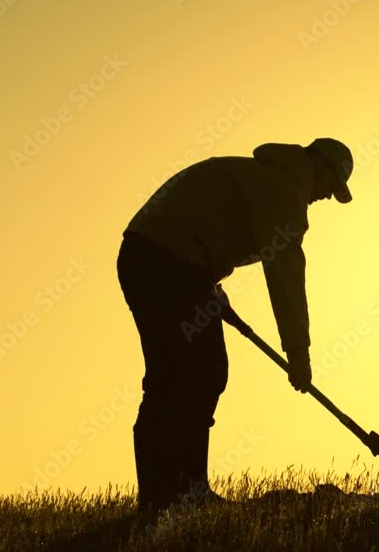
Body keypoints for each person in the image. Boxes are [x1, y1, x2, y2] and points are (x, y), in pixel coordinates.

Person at [116, 138, 354, 513]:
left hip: (149, 257)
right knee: (199, 373)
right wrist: (298, 353)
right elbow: (286, 277)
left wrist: (209, 288)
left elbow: (204, 224)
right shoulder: (285, 191)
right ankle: (182, 495)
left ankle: (165, 497)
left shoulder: (260, 176)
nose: (325, 197)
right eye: (330, 187)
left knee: (178, 376)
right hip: (168, 264)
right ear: (318, 165)